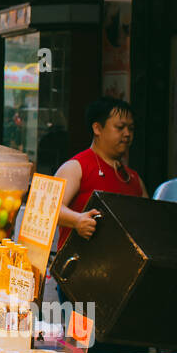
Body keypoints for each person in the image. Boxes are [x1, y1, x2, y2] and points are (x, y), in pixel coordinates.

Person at [55, 97, 147, 252]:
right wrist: (77, 220)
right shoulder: (75, 167)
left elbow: (148, 219)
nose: (127, 134)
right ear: (97, 128)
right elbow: (48, 209)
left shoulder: (134, 178)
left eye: (131, 128)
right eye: (120, 127)